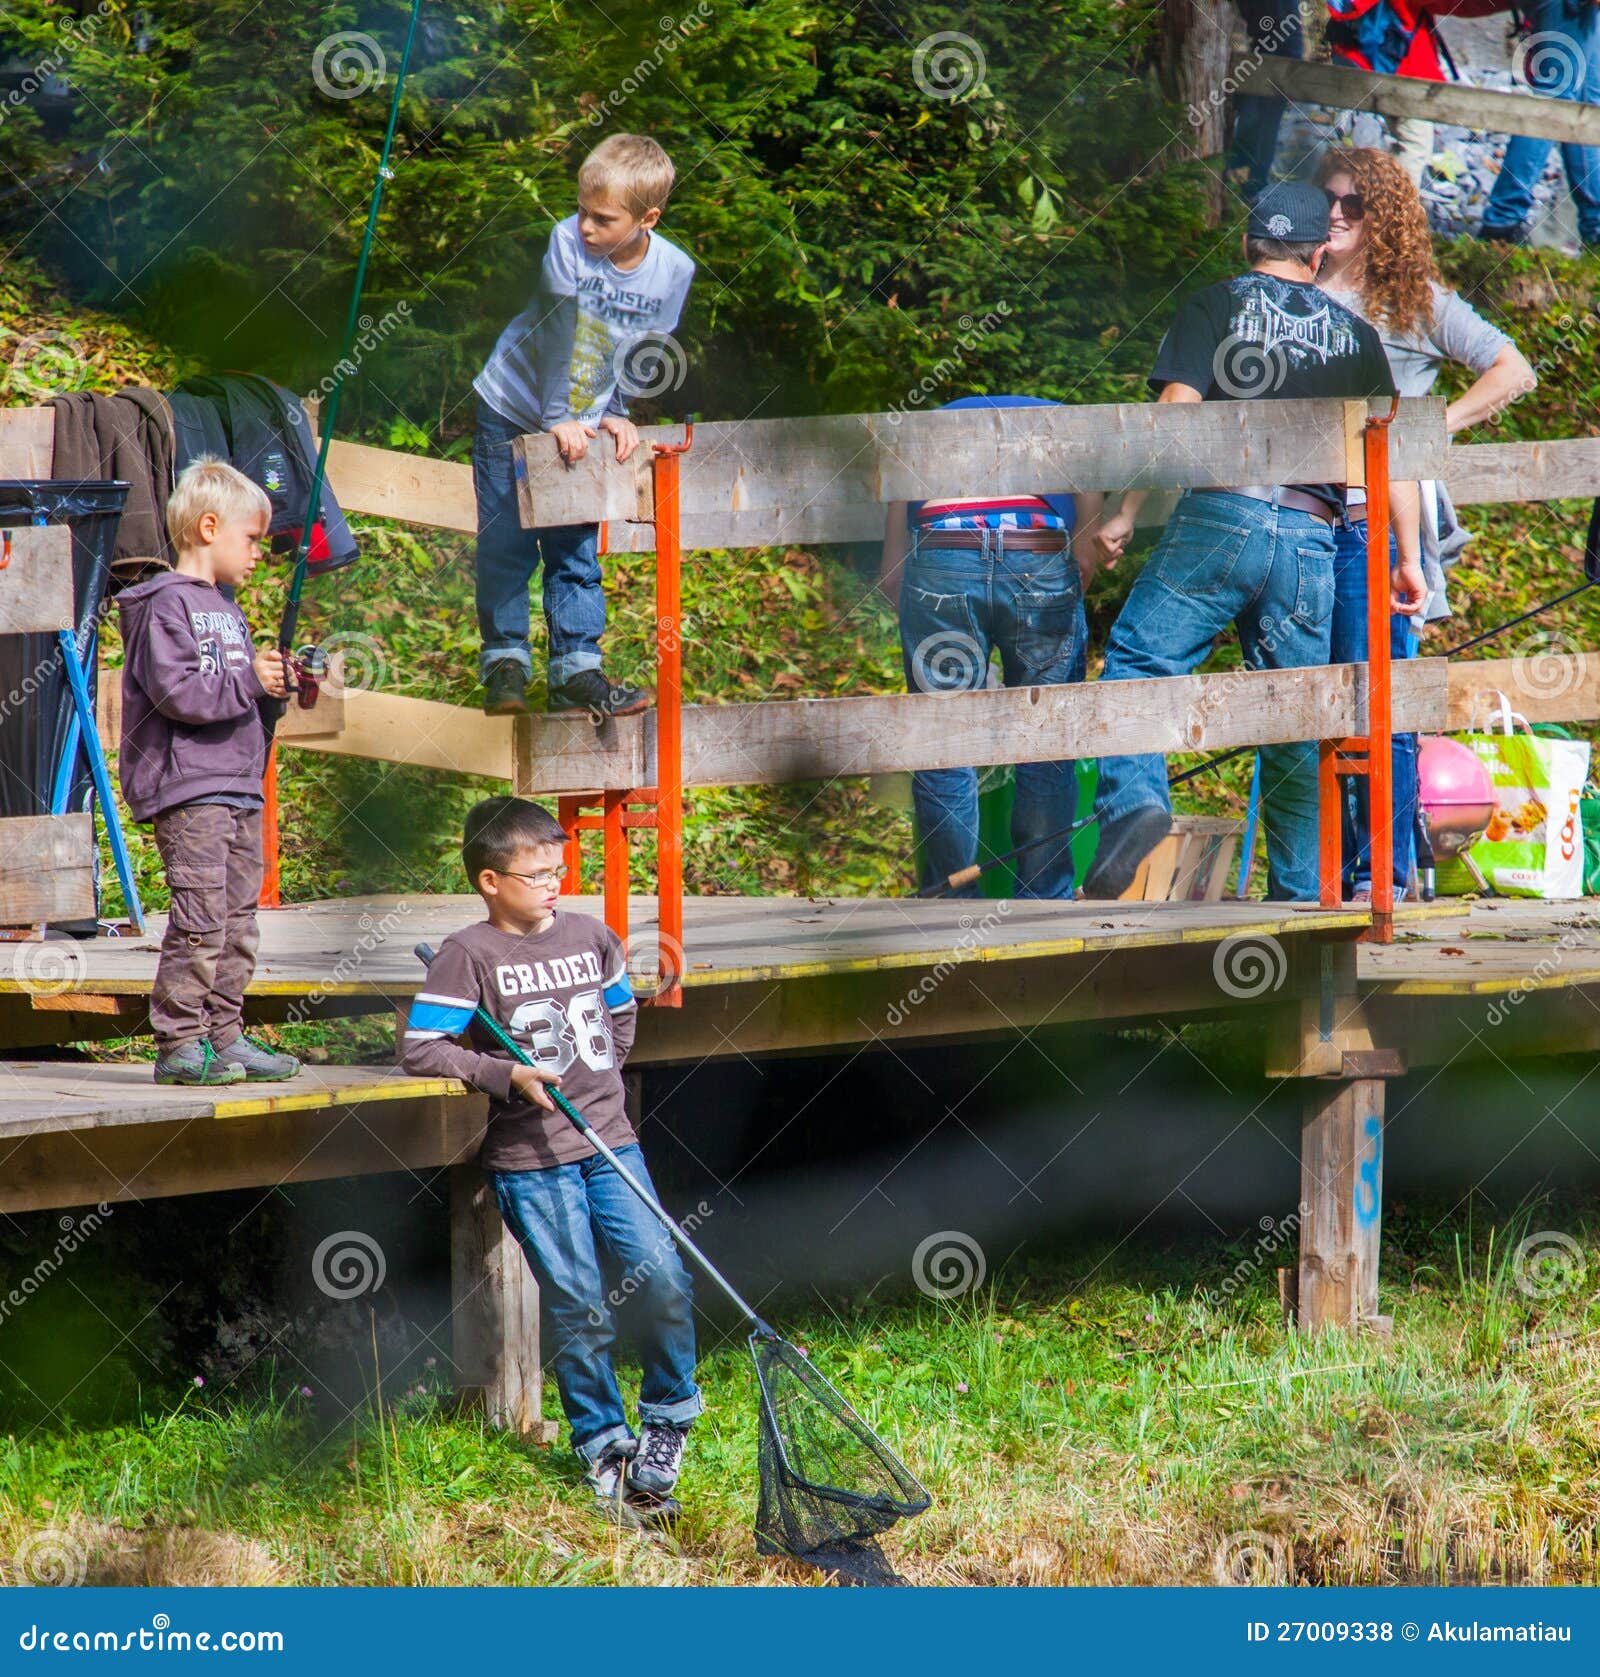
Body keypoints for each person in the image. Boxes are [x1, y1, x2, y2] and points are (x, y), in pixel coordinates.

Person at [1086, 182, 1425, 904]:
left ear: (1247, 243)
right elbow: (1385, 454)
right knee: (1296, 715)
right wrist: (1407, 558)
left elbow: (1176, 415)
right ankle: (1303, 895)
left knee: (1142, 659)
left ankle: (1135, 804)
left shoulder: (1214, 304)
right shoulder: (1357, 338)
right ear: (1320, 247)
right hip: (1310, 534)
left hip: (1222, 516)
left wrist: (1125, 510)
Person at [400, 795, 700, 1524]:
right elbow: (420, 1046)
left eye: (559, 870)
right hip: (530, 1158)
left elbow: (619, 1013)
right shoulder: (467, 953)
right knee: (578, 1300)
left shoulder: (594, 935)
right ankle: (603, 1441)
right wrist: (510, 1077)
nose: (552, 884)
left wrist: (599, 1083)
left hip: (611, 1140)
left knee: (660, 1272)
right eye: (534, 874)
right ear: (489, 881)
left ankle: (668, 1416)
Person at [1315, 146, 1536, 897]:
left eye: (1355, 204)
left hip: (1384, 518)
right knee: (1318, 699)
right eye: (1329, 201)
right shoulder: (1294, 287)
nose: (1338, 214)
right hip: (1302, 519)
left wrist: (1430, 428)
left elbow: (1512, 369)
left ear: (1384, 219)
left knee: (1388, 702)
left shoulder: (1411, 301)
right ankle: (1328, 872)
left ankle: (1388, 874)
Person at [473, 134, 695, 719]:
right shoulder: (567, 243)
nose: (586, 226)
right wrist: (560, 419)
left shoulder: (673, 271)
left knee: (574, 547)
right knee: (507, 540)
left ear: (648, 218)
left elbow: (632, 348)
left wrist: (614, 410)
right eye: (581, 210)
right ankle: (505, 669)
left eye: (603, 218)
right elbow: (559, 332)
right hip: (513, 404)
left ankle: (576, 672)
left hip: (577, 417)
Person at [116, 459, 300, 1087]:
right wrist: (250, 676)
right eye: (250, 540)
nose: (258, 554)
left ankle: (224, 1038)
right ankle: (178, 1043)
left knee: (240, 922)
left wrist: (280, 683)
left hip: (238, 784)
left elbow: (239, 693)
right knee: (201, 920)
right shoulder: (163, 605)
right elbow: (181, 694)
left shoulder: (225, 609)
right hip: (190, 787)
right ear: (208, 527)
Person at [878, 395, 1106, 898]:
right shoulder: (1056, 418)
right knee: (1046, 734)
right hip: (1037, 551)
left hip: (945, 553)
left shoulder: (934, 421)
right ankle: (1043, 896)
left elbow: (894, 552)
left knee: (945, 737)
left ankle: (951, 897)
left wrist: (898, 566)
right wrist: (1081, 551)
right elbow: (1087, 521)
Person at [1228, 0, 1305, 203]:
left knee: (1266, 121)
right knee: (1250, 114)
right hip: (1263, 46)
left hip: (1283, 50)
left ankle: (1256, 183)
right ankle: (1240, 169)